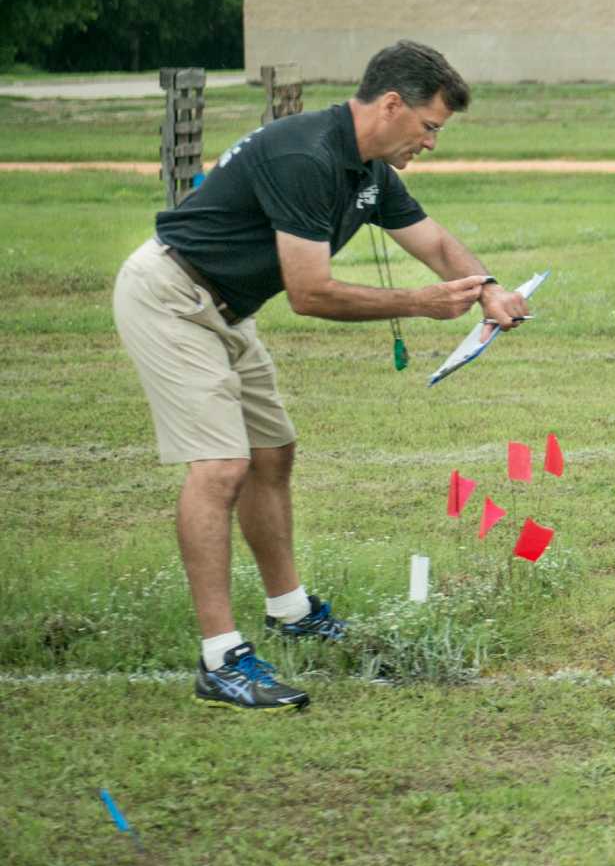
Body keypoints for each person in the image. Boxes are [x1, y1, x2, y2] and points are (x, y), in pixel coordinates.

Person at [113, 40, 528, 710]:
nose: (431, 143)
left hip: (227, 306)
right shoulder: (306, 155)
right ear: (392, 105)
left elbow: (437, 243)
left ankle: (290, 609)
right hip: (171, 296)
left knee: (273, 452)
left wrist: (489, 291)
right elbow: (310, 292)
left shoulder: (368, 169)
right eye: (429, 128)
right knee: (220, 467)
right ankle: (221, 658)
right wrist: (419, 304)